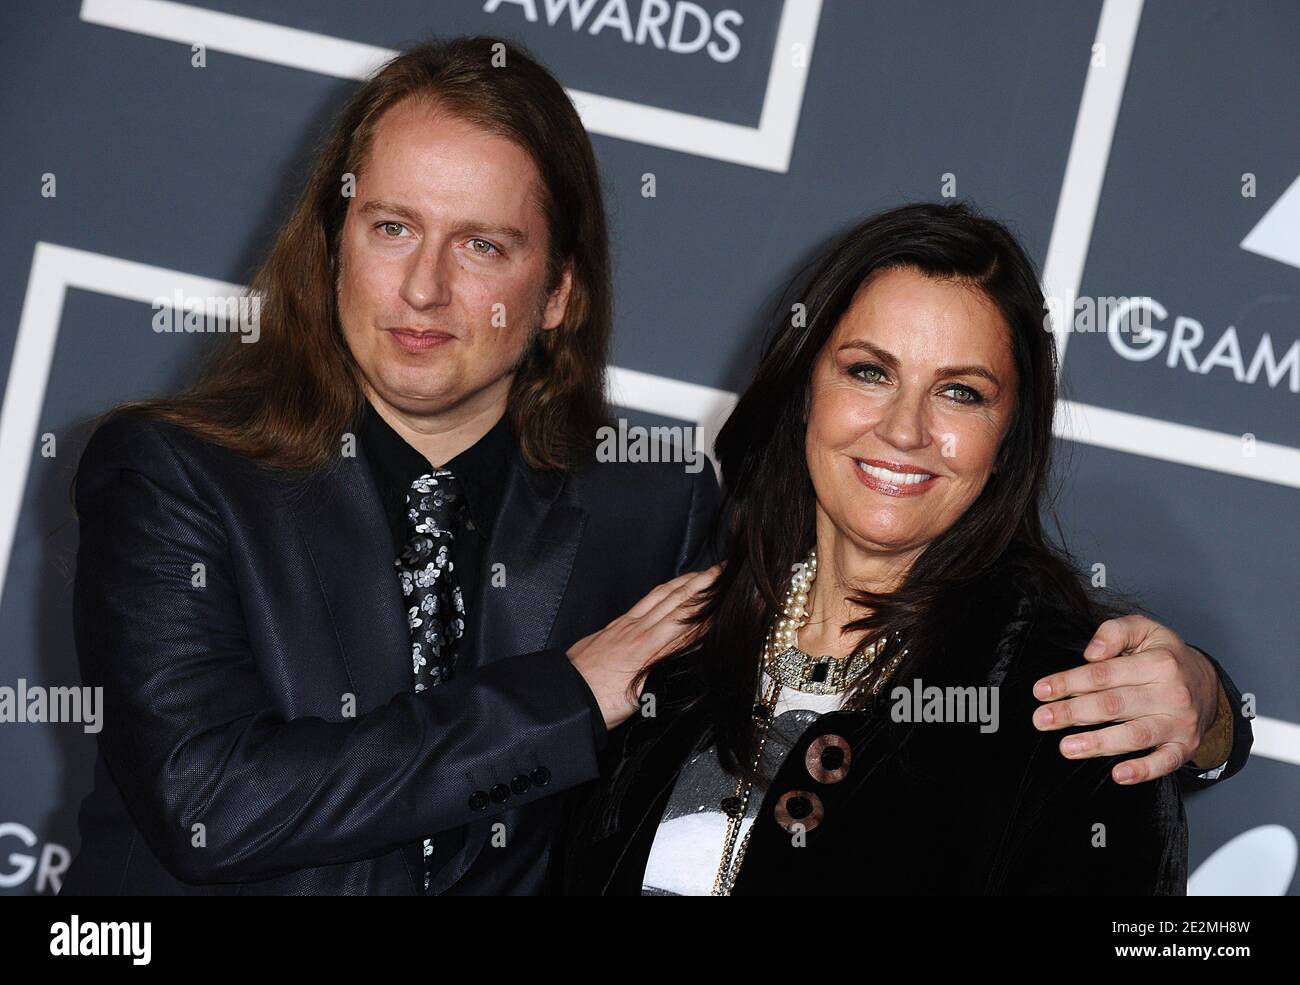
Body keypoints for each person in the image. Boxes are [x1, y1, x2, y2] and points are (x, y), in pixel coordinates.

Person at [60, 37, 1241, 896]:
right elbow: (210, 803)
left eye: (483, 245)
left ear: (559, 291)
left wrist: (1202, 708)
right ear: (333, 248)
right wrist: (565, 699)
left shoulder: (656, 517)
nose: (425, 290)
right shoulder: (171, 476)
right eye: (391, 228)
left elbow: (932, 667)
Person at [556, 202, 1253, 896]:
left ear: (1007, 439)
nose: (905, 430)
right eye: (869, 372)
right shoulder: (672, 634)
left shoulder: (1070, 704)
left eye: (959, 392)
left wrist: (1214, 709)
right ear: (805, 389)